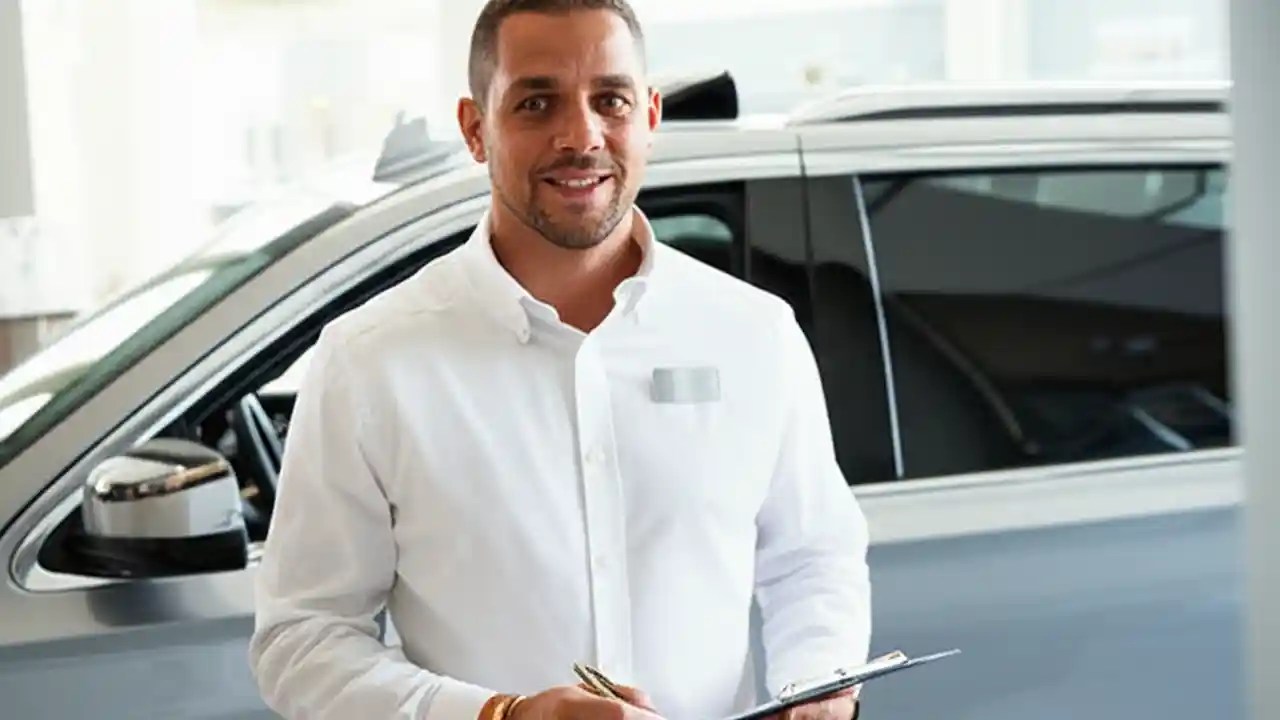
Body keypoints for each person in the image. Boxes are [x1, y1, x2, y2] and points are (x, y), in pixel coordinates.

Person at [248, 1, 871, 719]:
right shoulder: (369, 362)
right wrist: (501, 717)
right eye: (536, 102)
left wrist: (819, 690)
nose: (581, 137)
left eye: (611, 100)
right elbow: (303, 641)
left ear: (650, 115)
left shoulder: (755, 334)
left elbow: (813, 558)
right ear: (475, 129)